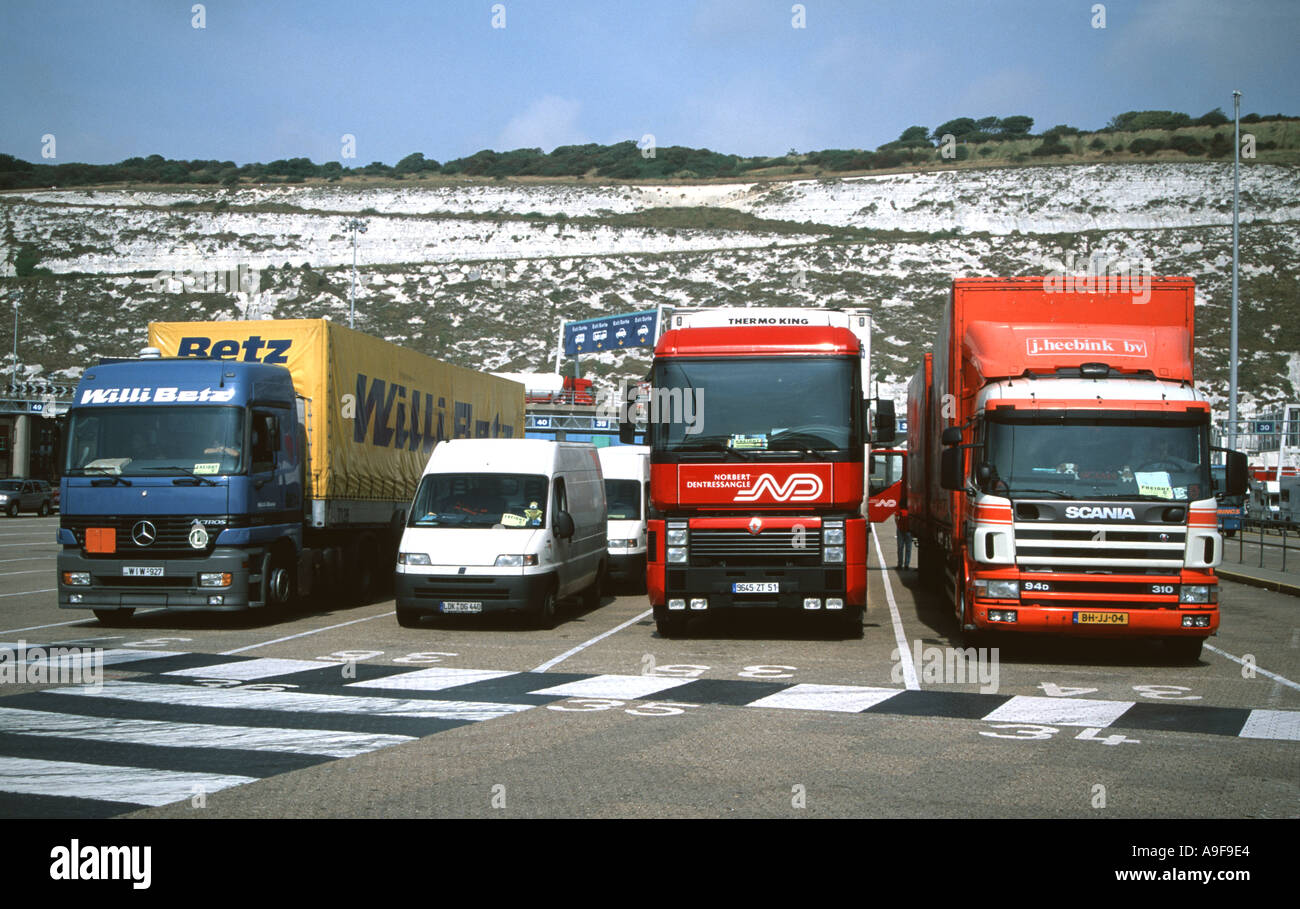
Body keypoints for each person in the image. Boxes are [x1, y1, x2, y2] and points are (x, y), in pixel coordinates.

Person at [896, 506, 913, 570]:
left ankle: (902, 564)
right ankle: (905, 565)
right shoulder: (910, 509)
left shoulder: (900, 509)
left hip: (905, 530)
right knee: (907, 548)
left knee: (901, 547)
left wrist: (898, 526)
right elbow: (896, 517)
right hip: (906, 530)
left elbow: (896, 517)